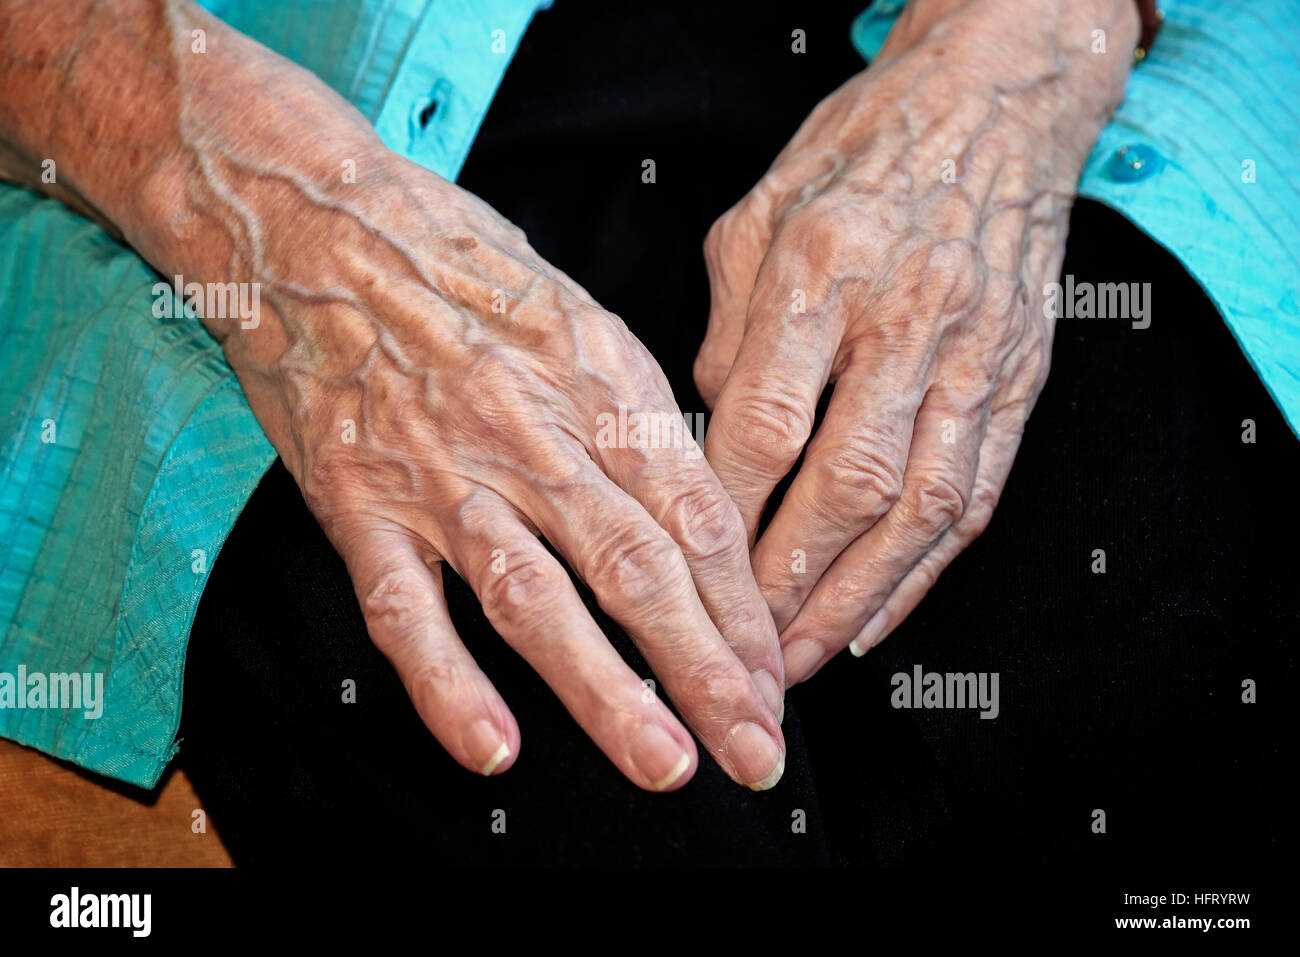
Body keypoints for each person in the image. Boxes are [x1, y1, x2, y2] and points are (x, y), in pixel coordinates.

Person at [0, 0, 1294, 867]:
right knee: (605, 788)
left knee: (1122, 618)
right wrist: (261, 192)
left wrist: (1020, 55)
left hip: (1047, 72)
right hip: (257, 119)